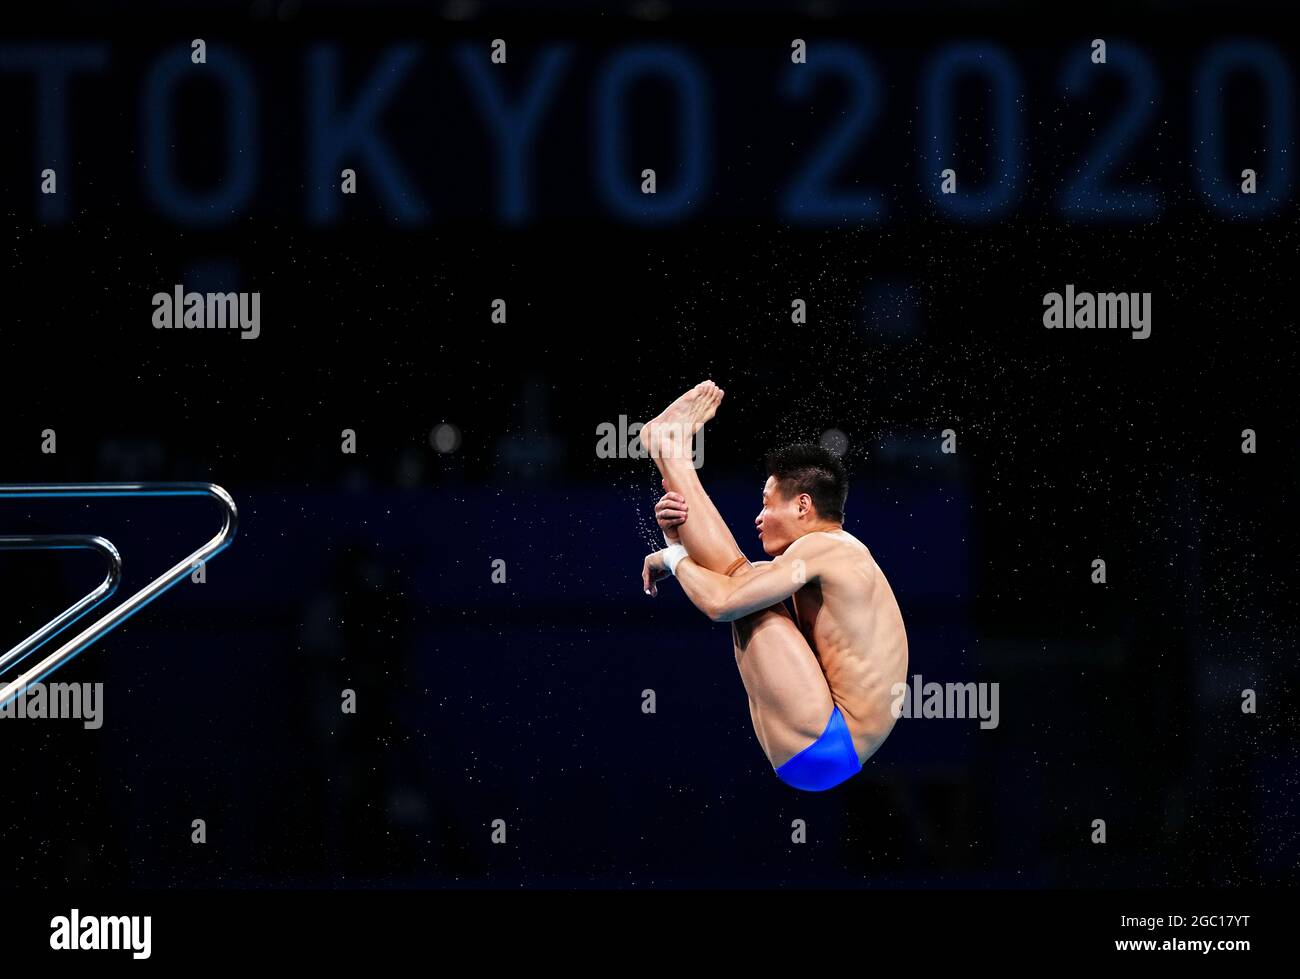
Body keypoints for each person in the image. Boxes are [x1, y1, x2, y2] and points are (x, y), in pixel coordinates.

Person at [639, 381, 908, 791]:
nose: (758, 517)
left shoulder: (828, 548)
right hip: (823, 749)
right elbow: (723, 579)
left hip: (827, 740)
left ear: (803, 504)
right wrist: (676, 543)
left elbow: (721, 603)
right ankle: (668, 450)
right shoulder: (822, 559)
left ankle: (668, 450)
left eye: (767, 502)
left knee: (740, 584)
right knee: (742, 577)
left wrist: (673, 558)